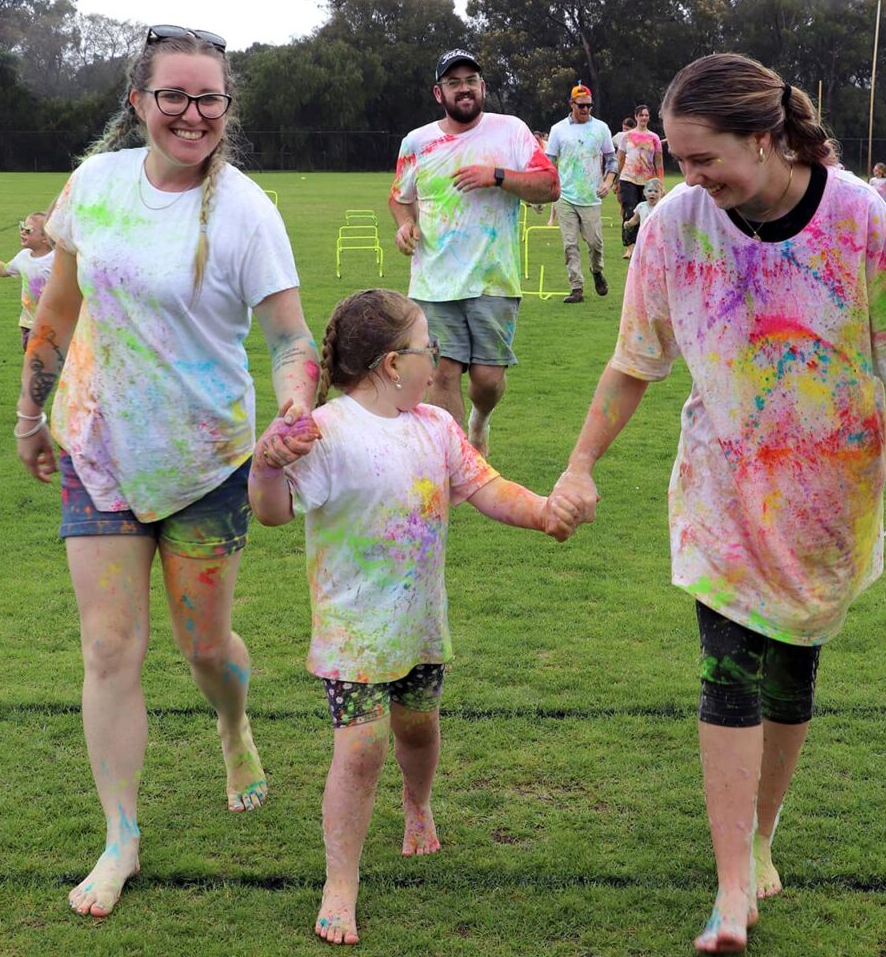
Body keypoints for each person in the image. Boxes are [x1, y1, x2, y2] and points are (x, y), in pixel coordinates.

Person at [551, 53, 886, 954]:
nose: (687, 180)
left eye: (705, 161)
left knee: (791, 675)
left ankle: (763, 833)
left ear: (769, 138)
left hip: (829, 501)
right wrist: (580, 464)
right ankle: (731, 887)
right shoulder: (672, 228)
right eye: (679, 161)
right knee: (727, 670)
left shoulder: (859, 218)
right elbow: (633, 364)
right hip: (720, 495)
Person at [14, 25, 321, 918]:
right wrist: (32, 414)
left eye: (210, 98)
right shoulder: (95, 187)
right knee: (109, 649)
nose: (193, 114)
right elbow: (58, 308)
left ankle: (234, 726)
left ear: (227, 108)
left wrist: (297, 401)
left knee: (204, 649)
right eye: (174, 96)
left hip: (205, 464)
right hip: (97, 452)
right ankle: (121, 836)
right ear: (138, 102)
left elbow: (291, 337)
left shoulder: (245, 213)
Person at [248, 288, 576, 946]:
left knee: (418, 729)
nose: (437, 361)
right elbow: (272, 511)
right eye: (430, 348)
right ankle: (340, 884)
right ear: (394, 363)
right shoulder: (328, 432)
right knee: (362, 749)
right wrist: (264, 462)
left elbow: (486, 487)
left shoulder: (436, 427)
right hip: (352, 633)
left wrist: (542, 511)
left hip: (419, 625)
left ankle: (417, 806)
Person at [389, 49, 559, 457]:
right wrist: (405, 225)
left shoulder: (511, 131)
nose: (463, 88)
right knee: (442, 376)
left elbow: (550, 186)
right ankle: (452, 462)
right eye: (454, 82)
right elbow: (399, 198)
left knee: (486, 380)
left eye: (471, 80)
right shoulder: (417, 142)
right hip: (433, 281)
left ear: (482, 87)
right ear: (438, 92)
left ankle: (480, 422)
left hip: (494, 280)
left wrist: (497, 176)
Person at [546, 83, 617, 303]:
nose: (586, 110)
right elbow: (549, 163)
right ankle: (576, 287)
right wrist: (549, 189)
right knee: (570, 245)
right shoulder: (558, 130)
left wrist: (607, 182)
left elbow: (612, 160)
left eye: (589, 106)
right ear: (571, 104)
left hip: (591, 196)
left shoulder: (601, 128)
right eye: (581, 106)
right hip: (565, 196)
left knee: (595, 244)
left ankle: (597, 271)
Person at [0, 212, 54, 350]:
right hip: (29, 325)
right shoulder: (23, 257)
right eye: (22, 227)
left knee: (55, 366)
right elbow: (3, 270)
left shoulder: (57, 260)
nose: (23, 232)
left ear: (45, 238)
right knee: (34, 367)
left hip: (55, 325)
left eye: (28, 230)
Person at [616, 104, 664, 260]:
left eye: (646, 115)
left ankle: (645, 245)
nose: (644, 118)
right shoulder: (626, 136)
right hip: (628, 178)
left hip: (648, 181)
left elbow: (658, 163)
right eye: (641, 115)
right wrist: (616, 181)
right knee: (630, 211)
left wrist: (660, 183)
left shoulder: (654, 138)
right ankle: (630, 247)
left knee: (647, 213)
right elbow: (621, 158)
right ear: (636, 117)